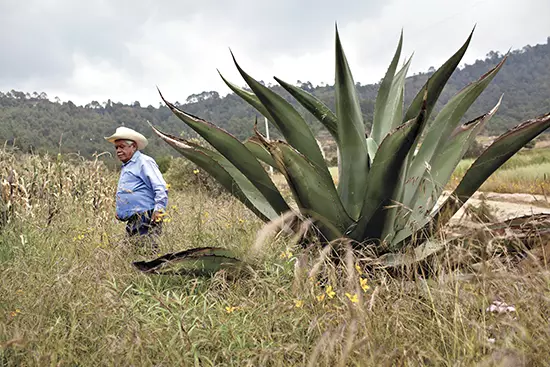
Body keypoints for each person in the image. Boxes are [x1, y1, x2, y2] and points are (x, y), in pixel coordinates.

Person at [104, 127, 168, 251]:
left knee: (145, 253)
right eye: (116, 147)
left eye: (122, 147)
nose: (118, 150)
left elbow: (160, 186)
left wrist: (159, 209)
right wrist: (121, 210)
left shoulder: (144, 162)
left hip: (146, 216)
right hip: (134, 219)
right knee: (132, 254)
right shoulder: (128, 165)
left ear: (133, 146)